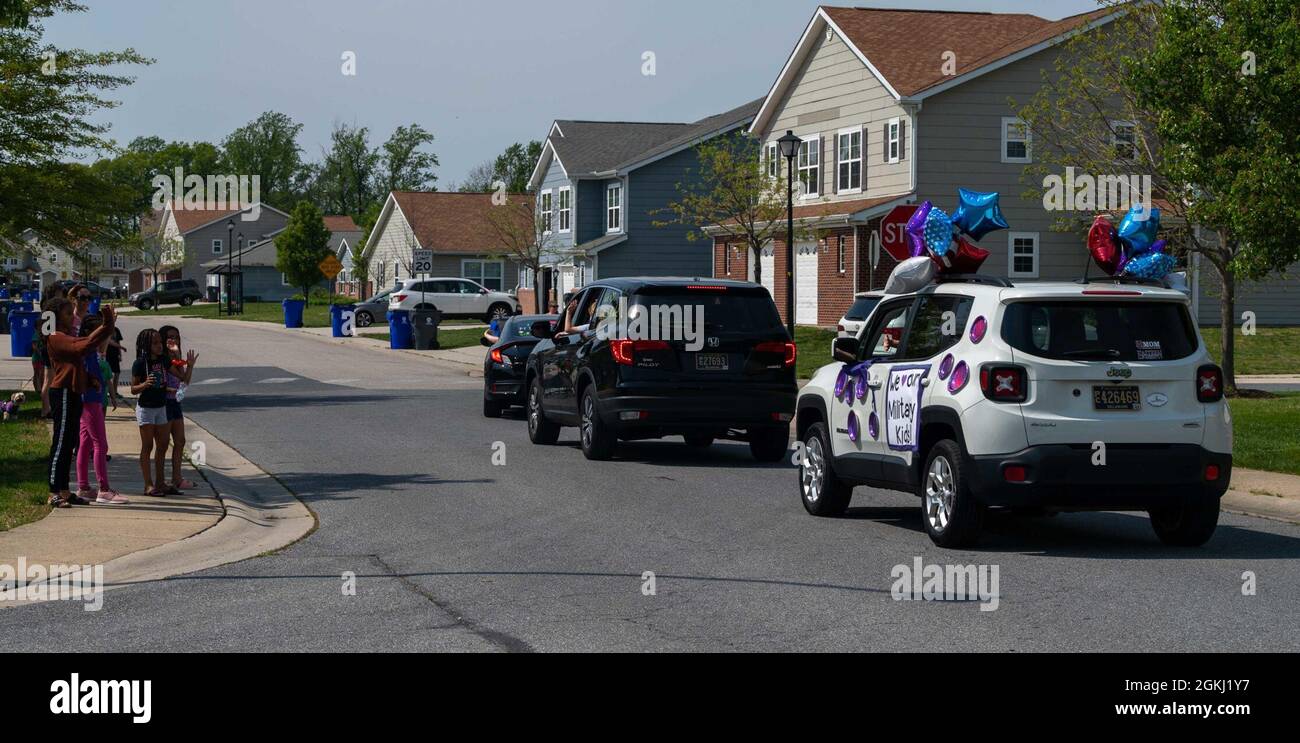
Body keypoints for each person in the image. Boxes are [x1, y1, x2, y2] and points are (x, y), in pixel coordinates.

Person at [44, 300, 116, 508]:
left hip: (74, 392)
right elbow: (83, 346)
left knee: (69, 445)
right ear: (56, 317)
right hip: (64, 393)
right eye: (67, 313)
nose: (72, 316)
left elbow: (79, 355)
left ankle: (65, 491)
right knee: (61, 444)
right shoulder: (55, 337)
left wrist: (88, 379)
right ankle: (53, 492)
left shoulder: (66, 337)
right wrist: (106, 325)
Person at [75, 316, 126, 505]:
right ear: (90, 332)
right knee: (100, 445)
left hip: (91, 400)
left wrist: (109, 323)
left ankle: (83, 487)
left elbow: (104, 341)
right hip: (90, 400)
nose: (104, 334)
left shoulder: (92, 349)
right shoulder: (87, 350)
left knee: (86, 443)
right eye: (100, 330)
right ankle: (104, 490)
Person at [131, 328, 173, 497]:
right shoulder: (140, 363)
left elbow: (181, 375)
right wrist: (145, 384)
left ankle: (160, 482)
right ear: (147, 345)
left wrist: (187, 364)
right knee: (148, 446)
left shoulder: (164, 359)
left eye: (160, 342)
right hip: (146, 408)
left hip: (161, 406)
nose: (159, 346)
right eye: (155, 343)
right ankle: (148, 485)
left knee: (163, 445)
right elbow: (133, 389)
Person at [158, 325, 198, 491]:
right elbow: (160, 383)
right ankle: (160, 481)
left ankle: (177, 478)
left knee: (180, 441)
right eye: (170, 337)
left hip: (175, 403)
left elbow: (184, 382)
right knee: (163, 443)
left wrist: (189, 365)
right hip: (164, 403)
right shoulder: (162, 360)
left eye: (176, 337)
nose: (173, 340)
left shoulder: (176, 359)